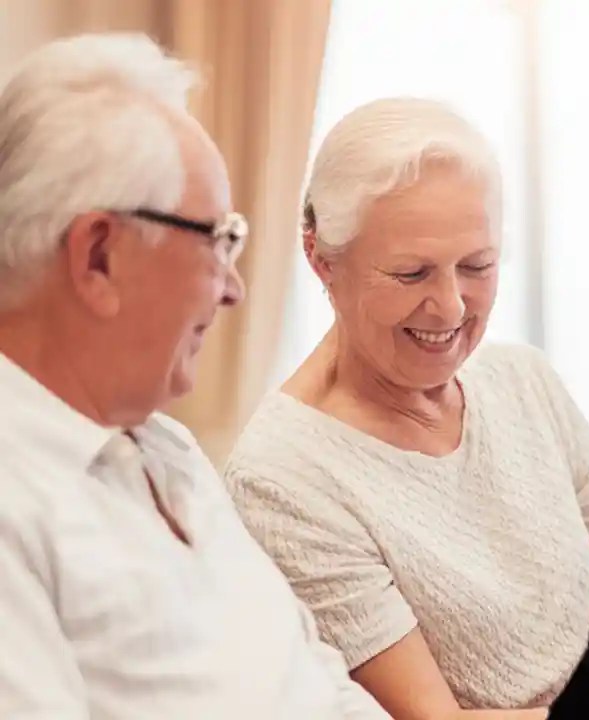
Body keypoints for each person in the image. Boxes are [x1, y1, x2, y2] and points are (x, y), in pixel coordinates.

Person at [223, 97, 589, 719]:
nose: (452, 307)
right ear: (321, 258)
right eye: (411, 274)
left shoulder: (526, 383)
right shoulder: (282, 476)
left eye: (476, 266)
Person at [0, 34, 390, 719]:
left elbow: (320, 680)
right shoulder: (17, 502)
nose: (234, 287)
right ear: (99, 257)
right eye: (217, 241)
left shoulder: (170, 451)